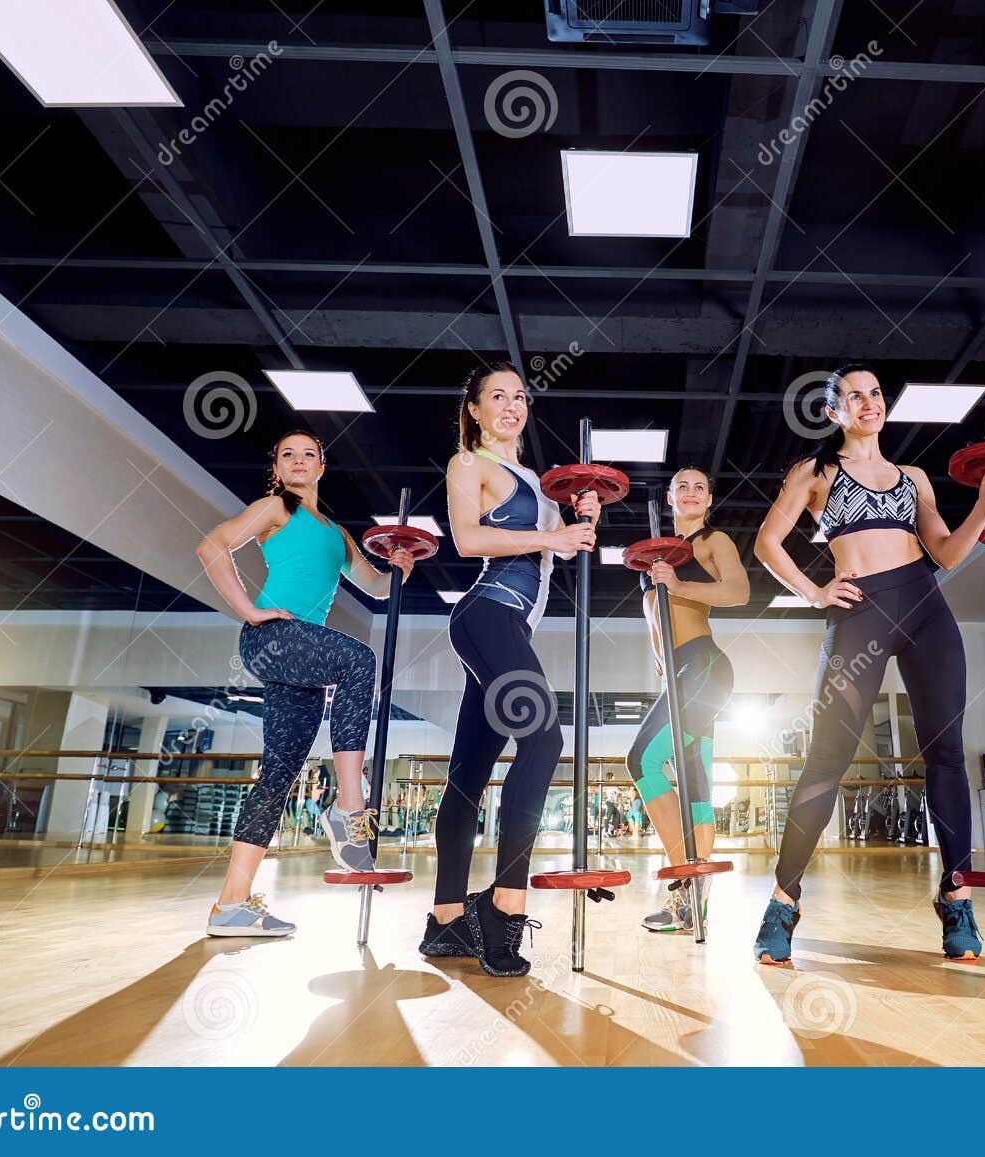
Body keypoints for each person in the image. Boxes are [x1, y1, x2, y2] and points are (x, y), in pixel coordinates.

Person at [750, 365, 985, 966]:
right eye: (855, 396)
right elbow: (767, 543)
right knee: (828, 758)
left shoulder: (915, 477)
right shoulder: (816, 472)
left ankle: (955, 896)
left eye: (876, 394)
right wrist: (815, 591)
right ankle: (782, 900)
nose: (869, 403)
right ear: (834, 411)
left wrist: (984, 503)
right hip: (861, 611)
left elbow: (947, 552)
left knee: (946, 753)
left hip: (926, 605)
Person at [195, 429, 415, 937]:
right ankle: (347, 805)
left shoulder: (336, 534)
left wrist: (399, 565)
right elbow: (212, 546)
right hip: (274, 638)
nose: (298, 461)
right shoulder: (276, 509)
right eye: (287, 453)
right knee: (359, 661)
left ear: (322, 467)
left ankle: (230, 905)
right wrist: (249, 611)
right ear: (277, 466)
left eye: (308, 454)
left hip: (302, 659)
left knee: (278, 774)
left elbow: (377, 587)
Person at [421, 363, 598, 977]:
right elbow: (468, 541)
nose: (511, 405)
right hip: (486, 614)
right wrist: (553, 538)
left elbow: (563, 544)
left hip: (511, 625)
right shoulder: (469, 464)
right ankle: (504, 906)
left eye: (520, 396)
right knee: (545, 740)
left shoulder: (537, 481)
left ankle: (445, 922)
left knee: (468, 775)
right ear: (473, 408)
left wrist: (581, 514)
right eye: (496, 396)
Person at [628, 467, 748, 933]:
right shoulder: (654, 555)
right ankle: (689, 904)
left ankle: (686, 883)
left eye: (700, 486)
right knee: (696, 787)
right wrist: (659, 660)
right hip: (679, 675)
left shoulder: (712, 543)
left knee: (640, 760)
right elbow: (656, 620)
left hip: (704, 668)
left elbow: (739, 592)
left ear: (710, 498)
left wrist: (678, 585)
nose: (692, 492)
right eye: (683, 486)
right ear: (671, 499)